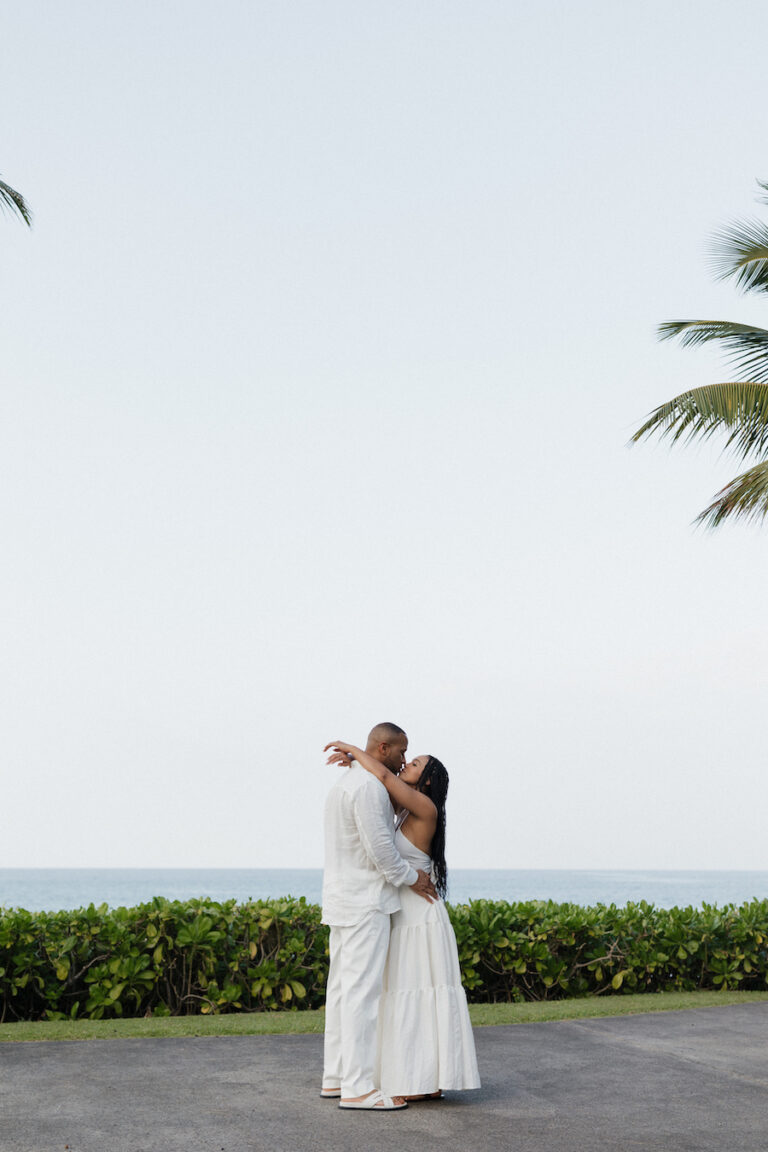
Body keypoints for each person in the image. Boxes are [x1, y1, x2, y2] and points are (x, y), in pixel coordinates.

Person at [325, 740, 481, 1101]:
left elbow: (382, 774)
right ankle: (420, 1078)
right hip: (405, 913)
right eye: (407, 758)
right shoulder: (405, 810)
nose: (407, 763)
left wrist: (353, 750)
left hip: (420, 918)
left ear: (427, 780)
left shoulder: (425, 807)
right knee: (407, 994)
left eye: (416, 763)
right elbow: (380, 784)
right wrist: (358, 762)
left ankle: (424, 1082)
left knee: (420, 994)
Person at [320, 722, 437, 1112]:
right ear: (384, 748)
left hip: (342, 901)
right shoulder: (369, 788)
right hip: (365, 904)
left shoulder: (347, 783)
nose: (405, 759)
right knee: (362, 995)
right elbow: (382, 852)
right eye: (402, 752)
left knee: (342, 991)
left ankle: (336, 1077)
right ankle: (358, 1088)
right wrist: (414, 878)